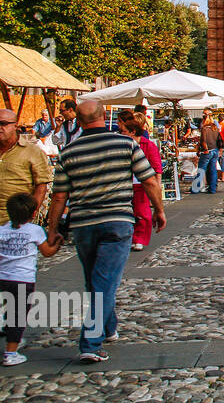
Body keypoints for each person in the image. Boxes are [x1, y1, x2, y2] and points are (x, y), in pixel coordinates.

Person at [45, 99, 166, 363]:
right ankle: (91, 342)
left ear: (78, 121)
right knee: (103, 282)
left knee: (97, 281)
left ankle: (108, 329)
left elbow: (59, 196)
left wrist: (53, 228)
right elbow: (148, 180)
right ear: (104, 117)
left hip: (83, 223)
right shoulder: (126, 144)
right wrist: (159, 209)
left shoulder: (69, 151)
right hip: (117, 220)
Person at [1, 193, 63, 366]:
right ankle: (10, 353)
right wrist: (57, 243)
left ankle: (9, 335)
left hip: (3, 277)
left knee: (8, 307)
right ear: (34, 213)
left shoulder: (2, 230)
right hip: (23, 279)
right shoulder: (35, 230)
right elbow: (47, 252)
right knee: (18, 316)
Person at [118, 112, 163, 252]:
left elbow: (157, 168)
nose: (121, 133)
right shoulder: (122, 145)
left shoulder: (147, 145)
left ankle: (139, 239)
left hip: (142, 184)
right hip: (125, 184)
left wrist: (157, 189)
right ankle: (129, 237)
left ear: (132, 132)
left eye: (124, 131)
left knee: (142, 213)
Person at [0, 108, 53, 217]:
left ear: (15, 125)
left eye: (3, 124)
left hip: (16, 222)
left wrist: (29, 216)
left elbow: (41, 186)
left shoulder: (32, 152)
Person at [192, 110, 222, 194]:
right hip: (215, 150)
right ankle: (212, 188)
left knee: (201, 170)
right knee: (213, 169)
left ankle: (195, 188)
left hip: (207, 150)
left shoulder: (205, 128)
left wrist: (205, 149)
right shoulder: (215, 127)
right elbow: (218, 140)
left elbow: (203, 141)